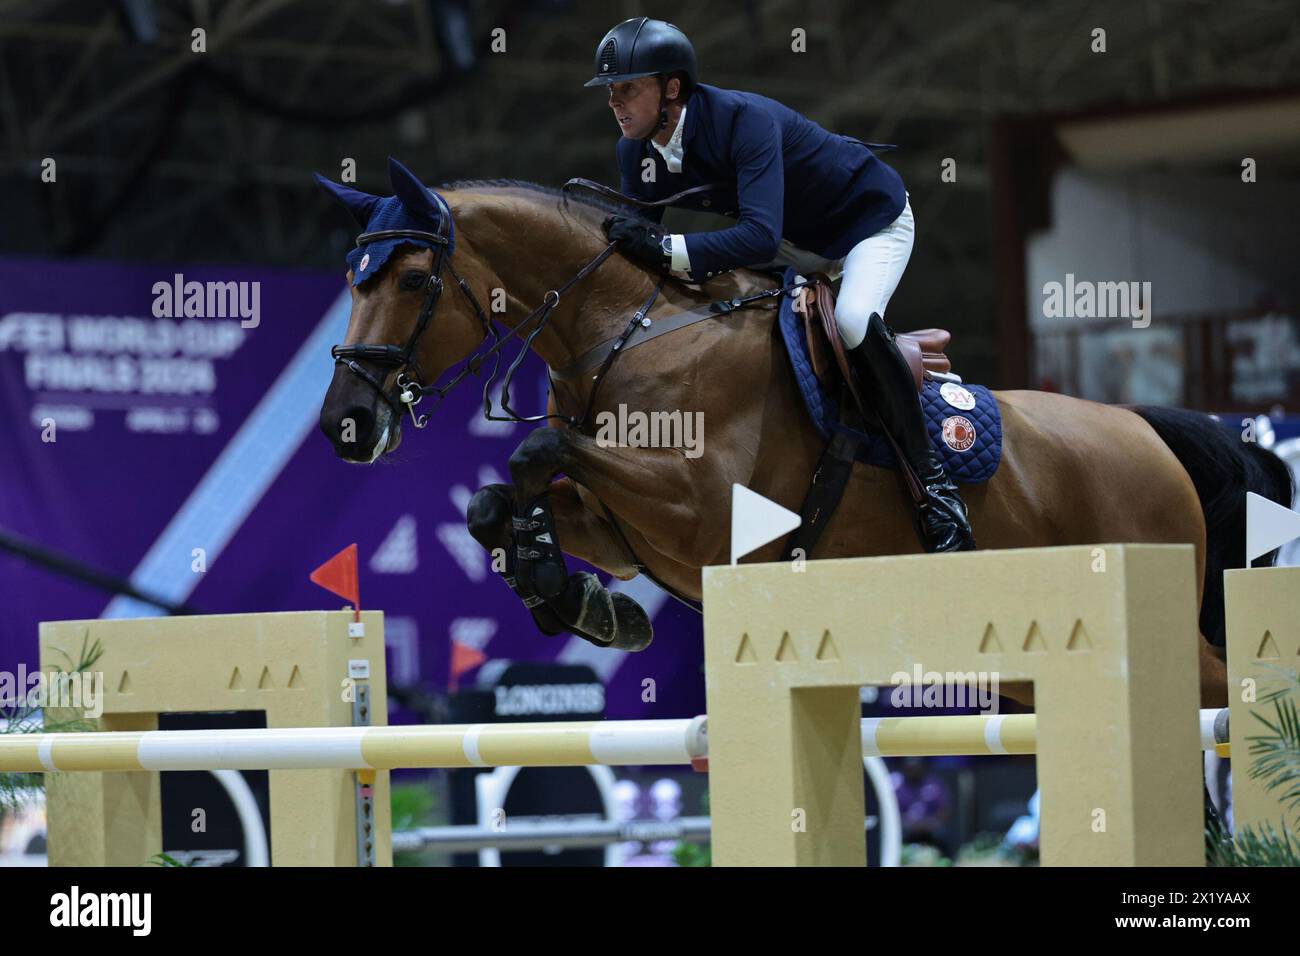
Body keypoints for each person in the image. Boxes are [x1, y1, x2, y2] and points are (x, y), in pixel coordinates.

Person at [585, 17, 974, 553]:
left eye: (627, 87)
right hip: (793, 246)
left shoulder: (743, 121)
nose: (614, 101)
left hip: (866, 225)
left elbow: (757, 235)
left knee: (855, 321)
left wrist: (668, 250)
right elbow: (640, 254)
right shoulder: (635, 152)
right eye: (610, 91)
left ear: (671, 88)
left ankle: (935, 488)